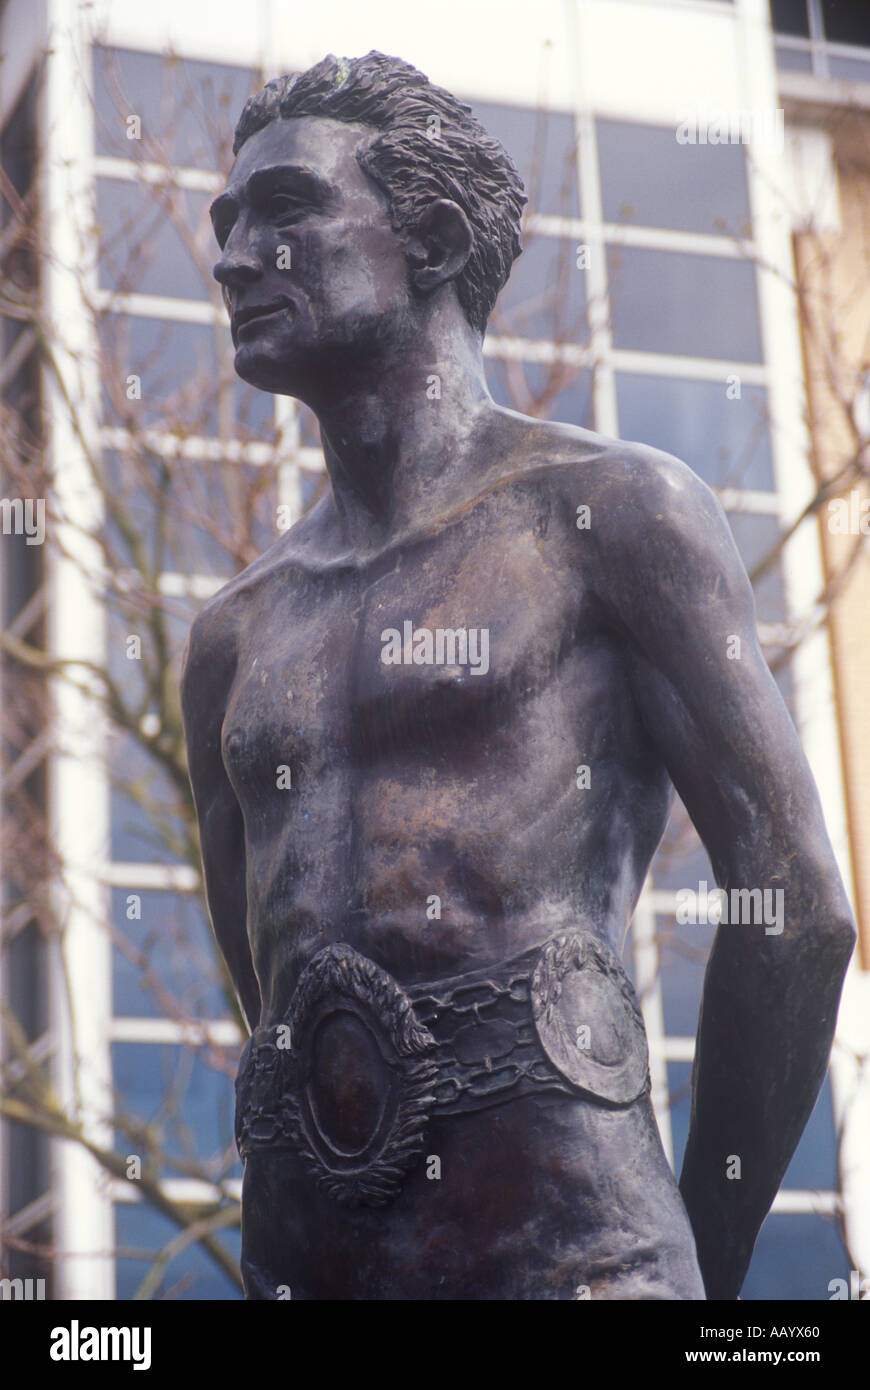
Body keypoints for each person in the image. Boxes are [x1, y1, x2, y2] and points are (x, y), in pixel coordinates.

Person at [181, 51, 855, 1300]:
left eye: (283, 212)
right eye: (226, 224)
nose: (229, 257)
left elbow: (796, 903)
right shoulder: (231, 634)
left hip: (575, 1257)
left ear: (428, 241)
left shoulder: (612, 516)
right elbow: (272, 994)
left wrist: (696, 1264)